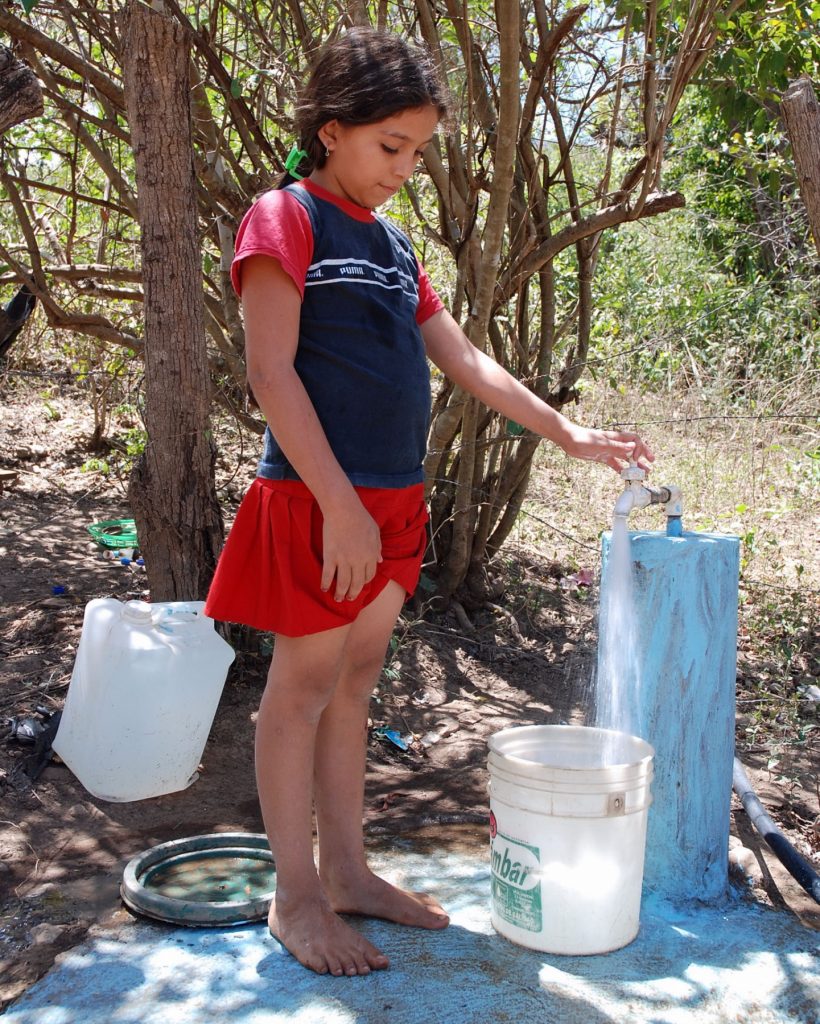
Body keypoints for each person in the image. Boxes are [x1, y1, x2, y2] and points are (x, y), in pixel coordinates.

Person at [205, 26, 654, 979]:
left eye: (417, 152)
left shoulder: (394, 244)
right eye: (389, 147)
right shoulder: (284, 219)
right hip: (320, 506)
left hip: (393, 504)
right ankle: (296, 899)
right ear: (332, 131)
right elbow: (270, 375)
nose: (403, 169)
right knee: (300, 693)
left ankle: (351, 873)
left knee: (357, 686)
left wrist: (566, 433)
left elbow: (465, 360)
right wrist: (339, 506)